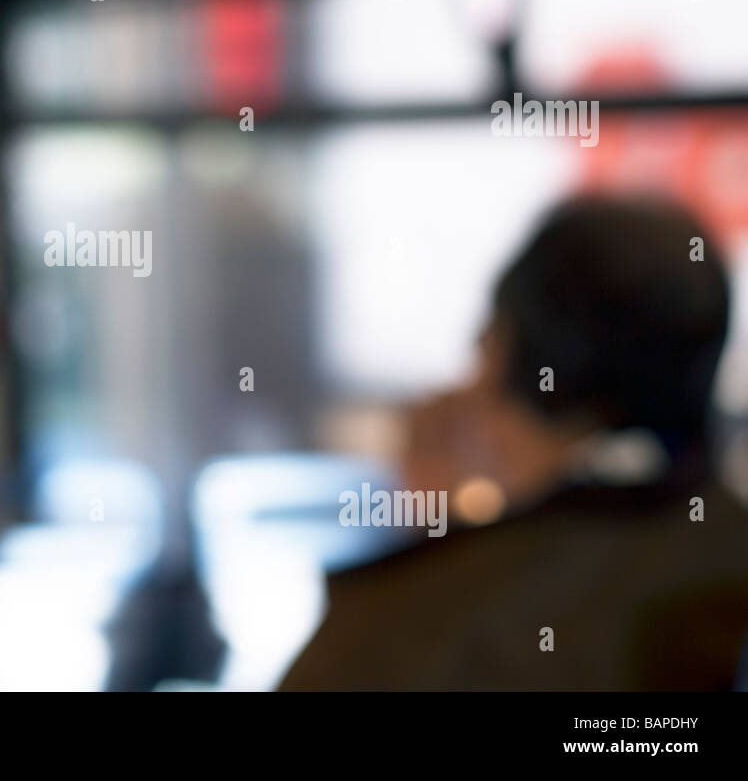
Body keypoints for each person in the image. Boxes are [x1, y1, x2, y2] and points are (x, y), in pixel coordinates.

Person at [281, 194, 748, 689]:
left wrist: (431, 546)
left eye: (483, 348)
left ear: (508, 360)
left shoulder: (421, 624)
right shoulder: (717, 550)